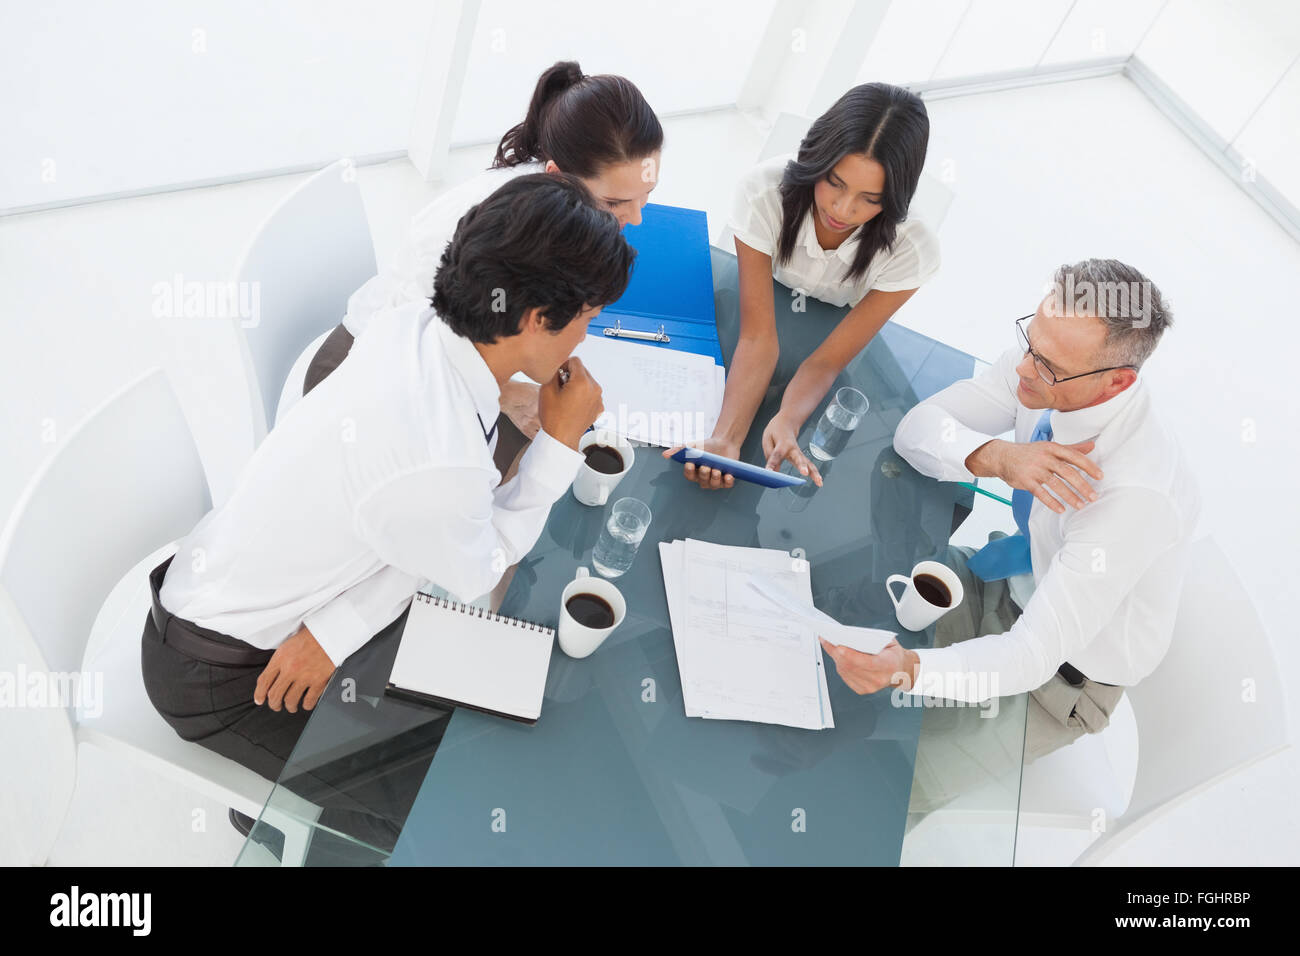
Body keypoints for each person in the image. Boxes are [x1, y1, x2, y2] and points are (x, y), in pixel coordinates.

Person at [141, 173, 631, 846]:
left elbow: (418, 530)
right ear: (533, 320)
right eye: (585, 318)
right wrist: (559, 442)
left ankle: (293, 789)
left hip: (241, 602)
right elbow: (476, 564)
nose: (586, 337)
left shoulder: (414, 328)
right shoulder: (440, 456)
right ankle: (288, 801)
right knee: (458, 803)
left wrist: (339, 628)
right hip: (219, 680)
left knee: (471, 703)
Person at [816, 258, 1200, 818]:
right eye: (1030, 338)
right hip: (998, 582)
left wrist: (910, 670)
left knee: (879, 788)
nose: (1023, 368)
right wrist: (996, 455)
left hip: (1059, 679)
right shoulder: (1045, 364)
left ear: (1116, 381)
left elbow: (1031, 655)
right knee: (827, 607)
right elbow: (916, 428)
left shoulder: (1134, 497)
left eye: (1047, 364)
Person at [289, 60, 663, 467]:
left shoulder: (555, 210)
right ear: (557, 176)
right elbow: (405, 344)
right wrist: (506, 395)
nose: (637, 218)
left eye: (646, 194)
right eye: (614, 203)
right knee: (526, 467)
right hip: (357, 377)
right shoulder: (476, 224)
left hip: (448, 372)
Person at [665, 82, 939, 490]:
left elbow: (826, 362)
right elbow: (758, 336)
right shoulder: (763, 193)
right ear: (816, 158)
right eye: (834, 182)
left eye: (870, 198)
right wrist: (727, 438)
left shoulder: (913, 250)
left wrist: (789, 418)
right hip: (750, 311)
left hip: (831, 331)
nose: (842, 210)